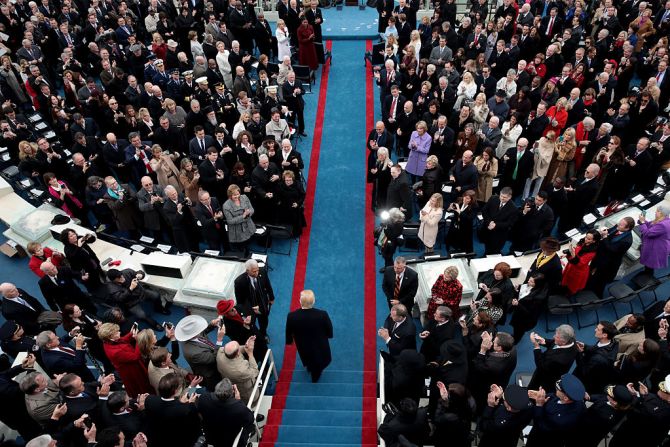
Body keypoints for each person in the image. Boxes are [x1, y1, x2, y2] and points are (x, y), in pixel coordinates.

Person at [285, 290, 333, 383]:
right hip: (319, 344)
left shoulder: (292, 316)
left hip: (302, 344)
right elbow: (329, 329)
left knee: (307, 357)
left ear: (300, 301)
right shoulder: (322, 314)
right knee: (320, 360)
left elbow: (289, 330)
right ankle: (315, 375)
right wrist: (329, 336)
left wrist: (289, 341)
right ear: (313, 301)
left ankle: (310, 367)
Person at [526, 374, 586, 447]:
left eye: (558, 389)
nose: (556, 389)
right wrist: (543, 396)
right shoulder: (574, 399)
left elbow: (542, 427)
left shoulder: (562, 420)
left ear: (565, 398)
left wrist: (539, 405)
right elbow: (554, 396)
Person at [143, 373, 202, 447]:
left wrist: (192, 387)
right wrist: (190, 404)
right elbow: (196, 426)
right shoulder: (186, 409)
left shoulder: (150, 400)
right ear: (175, 391)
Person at [196, 378, 256, 447]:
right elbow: (250, 419)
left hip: (212, 437)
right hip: (232, 440)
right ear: (232, 392)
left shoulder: (203, 398)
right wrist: (238, 400)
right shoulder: (239, 408)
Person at [98, 323, 152, 398]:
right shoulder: (115, 352)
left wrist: (130, 334)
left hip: (132, 366)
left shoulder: (108, 342)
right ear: (110, 337)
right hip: (132, 371)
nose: (119, 332)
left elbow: (122, 340)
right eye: (116, 332)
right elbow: (135, 356)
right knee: (142, 385)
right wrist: (138, 341)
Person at [469, 332, 517, 413]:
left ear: (499, 348)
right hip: (502, 377)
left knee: (480, 400)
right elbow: (495, 350)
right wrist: (489, 342)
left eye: (494, 341)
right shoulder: (512, 349)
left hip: (487, 384)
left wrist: (483, 350)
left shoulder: (493, 366)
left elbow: (478, 367)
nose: (492, 342)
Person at [175, 315, 226, 391]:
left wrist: (212, 324)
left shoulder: (189, 336)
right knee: (215, 388)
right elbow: (213, 358)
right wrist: (219, 340)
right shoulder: (193, 353)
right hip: (210, 374)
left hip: (209, 357)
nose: (200, 329)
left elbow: (203, 332)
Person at [585, 217, 635, 295]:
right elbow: (609, 231)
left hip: (608, 263)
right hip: (600, 256)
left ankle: (596, 296)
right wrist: (603, 232)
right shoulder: (618, 226)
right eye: (619, 222)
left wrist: (605, 237)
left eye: (621, 225)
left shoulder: (627, 241)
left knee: (600, 280)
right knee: (591, 272)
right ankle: (587, 286)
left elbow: (611, 249)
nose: (618, 225)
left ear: (627, 228)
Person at [527, 325, 579, 392]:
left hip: (545, 379)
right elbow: (554, 343)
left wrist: (536, 346)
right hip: (548, 369)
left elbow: (541, 365)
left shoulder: (559, 360)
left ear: (564, 341)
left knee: (532, 392)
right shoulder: (571, 340)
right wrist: (543, 341)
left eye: (557, 337)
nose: (553, 337)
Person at [234, 259, 275, 339]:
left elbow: (268, 285)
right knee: (250, 324)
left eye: (257, 270)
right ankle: (253, 337)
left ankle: (263, 334)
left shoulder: (262, 272)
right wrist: (248, 309)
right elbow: (240, 300)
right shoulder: (239, 282)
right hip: (249, 307)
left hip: (262, 304)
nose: (256, 273)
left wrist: (271, 297)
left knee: (264, 321)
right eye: (254, 271)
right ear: (247, 271)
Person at [573, 321, 619, 393]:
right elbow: (597, 348)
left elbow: (584, 371)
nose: (595, 330)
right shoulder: (613, 342)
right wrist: (585, 347)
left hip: (586, 381)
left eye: (598, 329)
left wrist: (579, 353)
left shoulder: (598, 359)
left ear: (604, 335)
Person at [60, 228, 104, 292]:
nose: (74, 236)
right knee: (93, 286)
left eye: (74, 234)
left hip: (93, 262)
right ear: (67, 239)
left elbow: (92, 240)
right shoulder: (67, 249)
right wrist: (79, 246)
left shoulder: (79, 238)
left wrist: (90, 236)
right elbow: (73, 257)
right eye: (71, 236)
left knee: (99, 278)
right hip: (85, 270)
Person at [216, 339, 259, 405]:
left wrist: (246, 347)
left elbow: (233, 351)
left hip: (230, 381)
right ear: (238, 353)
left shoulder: (220, 352)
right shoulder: (241, 370)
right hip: (244, 390)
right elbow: (255, 372)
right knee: (250, 400)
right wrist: (250, 354)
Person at [509, 274, 549, 343]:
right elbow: (521, 297)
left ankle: (515, 340)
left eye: (531, 281)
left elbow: (530, 313)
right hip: (519, 314)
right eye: (529, 280)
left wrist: (518, 305)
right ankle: (516, 336)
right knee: (516, 329)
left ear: (537, 284)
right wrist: (516, 291)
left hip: (525, 320)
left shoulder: (538, 299)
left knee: (519, 331)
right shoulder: (530, 286)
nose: (528, 282)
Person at [561, 230, 601, 294]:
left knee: (571, 287)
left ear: (594, 241)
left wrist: (573, 255)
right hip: (571, 266)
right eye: (586, 237)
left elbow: (580, 263)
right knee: (565, 282)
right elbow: (575, 251)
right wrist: (567, 254)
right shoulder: (582, 242)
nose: (585, 239)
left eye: (588, 239)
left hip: (578, 271)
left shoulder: (592, 252)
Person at [480, 187, 518, 255]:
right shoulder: (493, 198)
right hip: (488, 228)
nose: (502, 198)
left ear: (510, 197)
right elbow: (484, 211)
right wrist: (489, 222)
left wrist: (495, 225)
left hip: (499, 234)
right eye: (501, 196)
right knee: (487, 246)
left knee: (495, 251)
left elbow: (509, 223)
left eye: (505, 197)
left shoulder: (513, 208)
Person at [223, 184, 256, 254]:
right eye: (234, 195)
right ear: (230, 195)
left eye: (238, 194)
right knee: (241, 248)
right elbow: (230, 221)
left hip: (248, 226)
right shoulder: (226, 205)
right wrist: (243, 216)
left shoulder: (244, 197)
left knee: (248, 243)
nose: (237, 196)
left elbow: (252, 209)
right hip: (237, 231)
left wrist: (249, 212)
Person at [637, 205, 670, 273]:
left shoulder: (663, 224)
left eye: (657, 211)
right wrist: (642, 220)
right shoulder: (662, 220)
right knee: (649, 264)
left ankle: (647, 277)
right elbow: (649, 225)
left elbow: (648, 233)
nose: (655, 212)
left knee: (650, 264)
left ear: (661, 213)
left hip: (657, 247)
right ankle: (646, 274)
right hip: (655, 245)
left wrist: (642, 222)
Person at [446, 189, 476, 254]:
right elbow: (450, 210)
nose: (465, 199)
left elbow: (469, 218)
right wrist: (449, 208)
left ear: (472, 199)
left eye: (467, 198)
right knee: (453, 241)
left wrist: (460, 212)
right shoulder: (459, 200)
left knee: (465, 245)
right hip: (455, 225)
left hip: (465, 228)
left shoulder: (474, 206)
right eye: (464, 196)